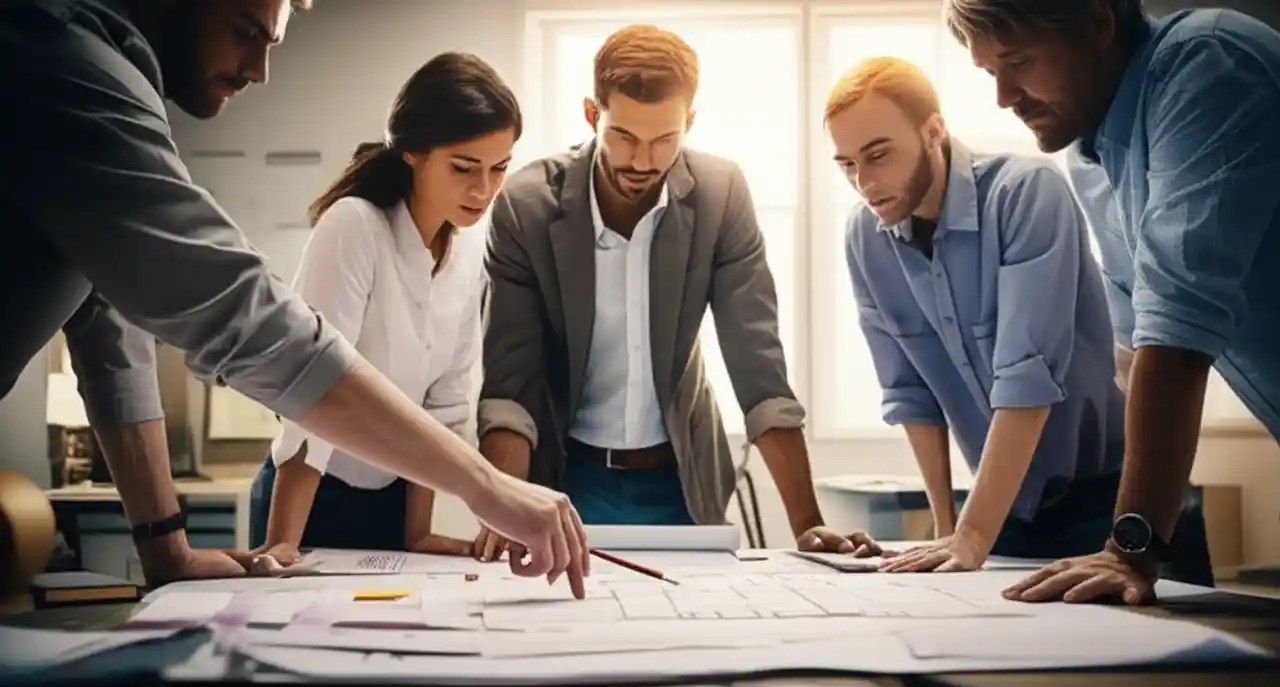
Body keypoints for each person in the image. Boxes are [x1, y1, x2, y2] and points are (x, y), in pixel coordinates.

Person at [0, 0, 589, 596]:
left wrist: (166, 549)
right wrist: (486, 485)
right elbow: (253, 324)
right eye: (245, 32)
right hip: (321, 491)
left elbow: (113, 334)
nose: (260, 72)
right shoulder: (58, 60)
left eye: (498, 169)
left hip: (388, 492)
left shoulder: (466, 255)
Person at [477, 23, 877, 554]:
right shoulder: (526, 206)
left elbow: (758, 367)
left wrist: (808, 523)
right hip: (565, 477)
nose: (642, 162)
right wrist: (507, 509)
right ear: (593, 115)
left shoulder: (720, 194)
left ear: (689, 122)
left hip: (682, 477)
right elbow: (512, 389)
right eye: (624, 136)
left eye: (665, 140)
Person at [824, 57, 1211, 583]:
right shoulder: (865, 239)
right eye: (847, 164)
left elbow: (1026, 380)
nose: (864, 182)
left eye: (878, 155)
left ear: (933, 131)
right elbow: (910, 393)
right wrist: (950, 527)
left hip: (1118, 503)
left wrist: (972, 535)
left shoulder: (1025, 192)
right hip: (1004, 511)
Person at [946, 0, 1280, 604]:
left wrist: (1131, 549)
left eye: (1019, 62)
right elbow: (1134, 353)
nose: (1003, 97)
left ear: (1097, 23)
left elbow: (1176, 331)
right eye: (989, 72)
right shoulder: (1089, 154)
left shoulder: (1208, 63)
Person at [249, 53, 519, 563]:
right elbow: (312, 387)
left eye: (499, 168)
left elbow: (443, 408)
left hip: (392, 502)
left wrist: (418, 534)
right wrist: (283, 543)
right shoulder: (355, 226)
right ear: (412, 151)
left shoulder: (467, 257)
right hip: (311, 497)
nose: (483, 189)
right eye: (464, 168)